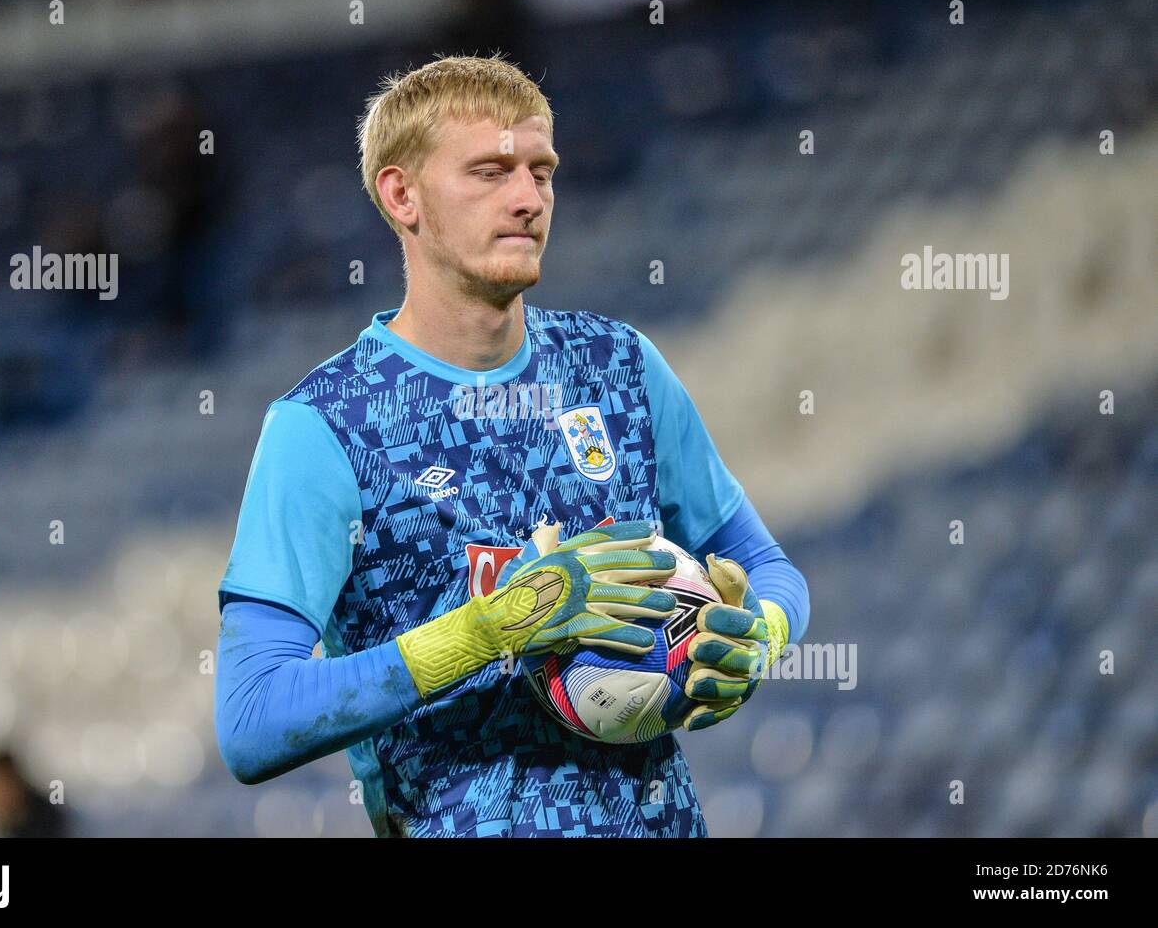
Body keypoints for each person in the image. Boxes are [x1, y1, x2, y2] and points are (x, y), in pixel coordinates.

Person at [214, 54, 809, 837]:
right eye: (491, 172)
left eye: (542, 171)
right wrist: (484, 631)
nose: (528, 199)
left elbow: (766, 565)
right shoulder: (323, 426)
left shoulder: (620, 367)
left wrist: (757, 637)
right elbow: (252, 719)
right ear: (401, 195)